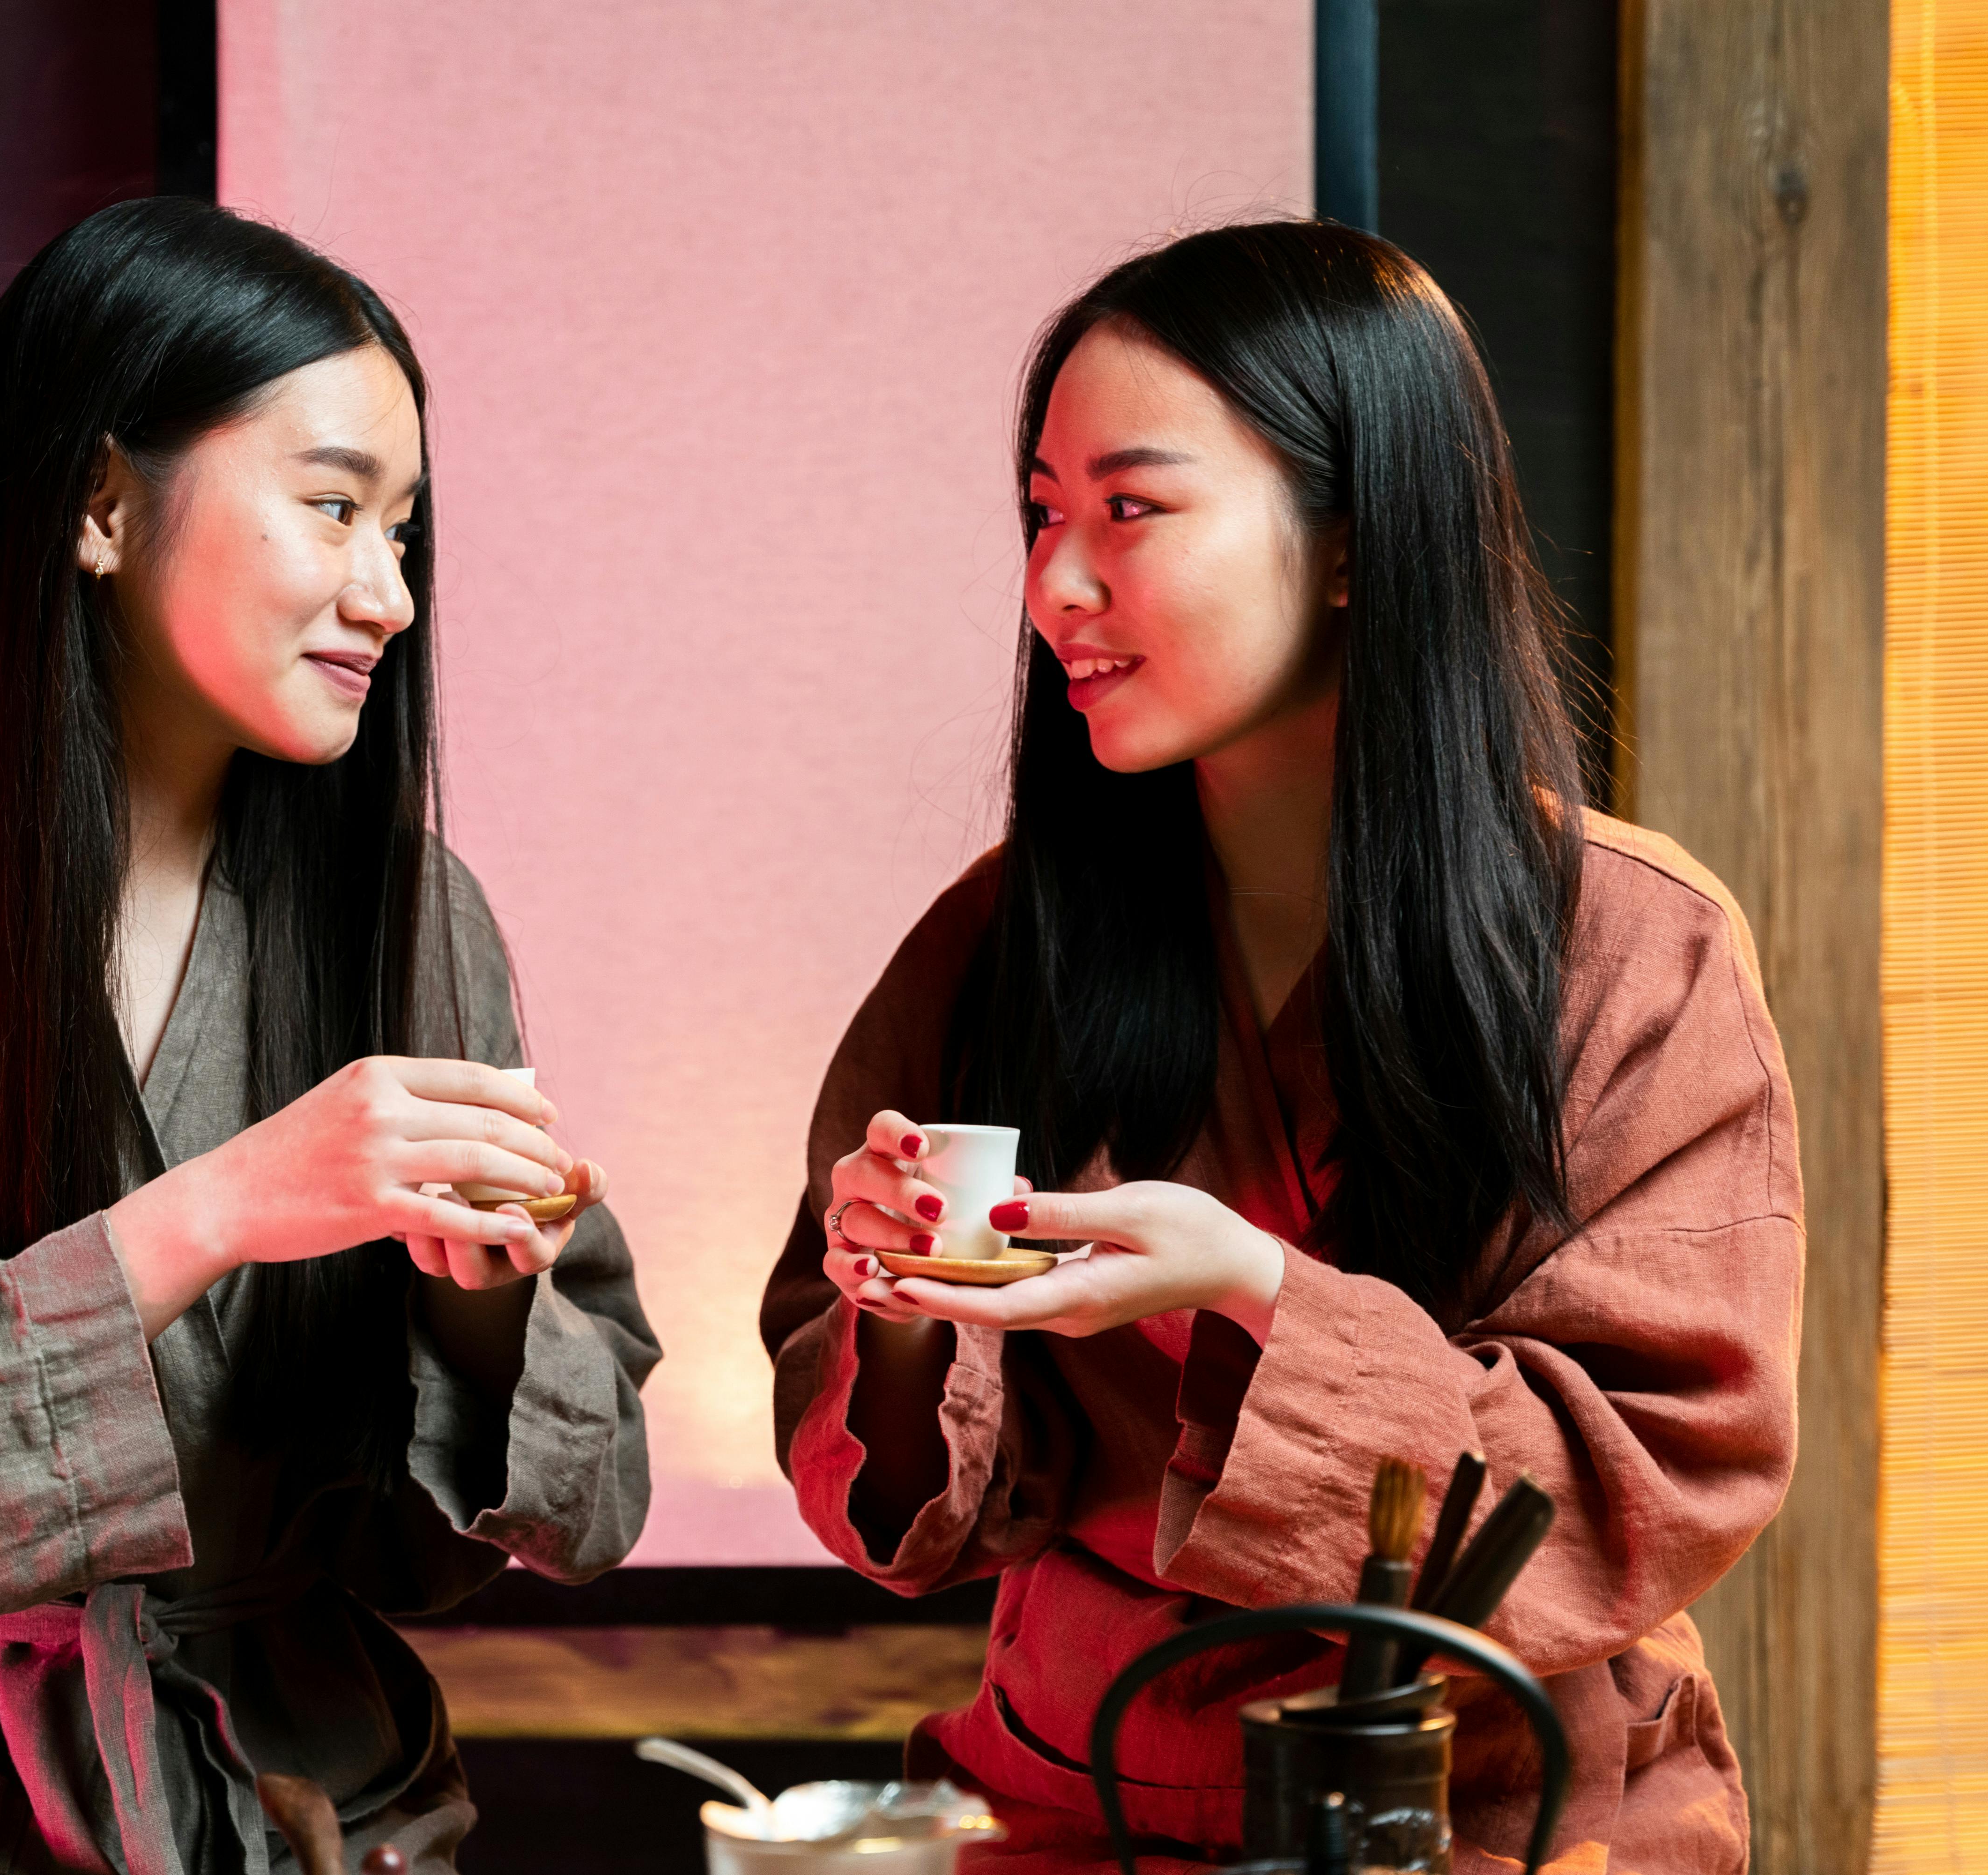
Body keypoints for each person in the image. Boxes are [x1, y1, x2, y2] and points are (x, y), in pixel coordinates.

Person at [0, 197, 657, 1875]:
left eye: (406, 531)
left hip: (303, 1799)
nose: (389, 593)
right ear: (99, 502)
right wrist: (219, 1209)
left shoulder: (413, 915)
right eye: (330, 509)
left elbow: (561, 1515)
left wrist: (490, 1307)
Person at [761, 223, 1798, 1874]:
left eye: (1132, 508)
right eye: (1043, 513)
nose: (1058, 585)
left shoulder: (1631, 945)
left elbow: (1654, 1473)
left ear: (1348, 539)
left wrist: (1250, 1287)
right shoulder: (1001, 935)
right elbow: (905, 1512)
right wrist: (895, 1309)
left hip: (1501, 1808)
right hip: (1072, 1791)